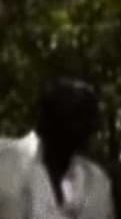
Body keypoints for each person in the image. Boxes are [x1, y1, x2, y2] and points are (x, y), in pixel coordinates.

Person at [0, 79, 114, 219]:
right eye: (80, 115)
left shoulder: (97, 181)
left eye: (92, 117)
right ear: (48, 120)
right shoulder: (6, 162)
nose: (93, 126)